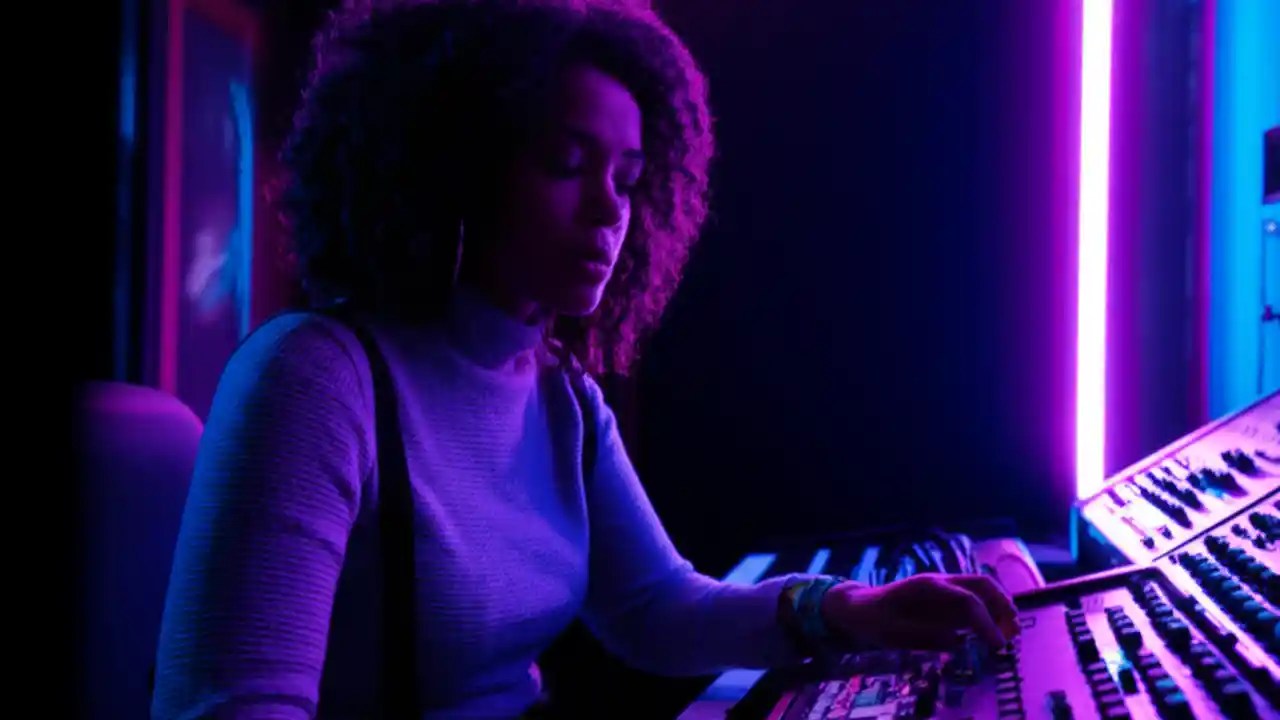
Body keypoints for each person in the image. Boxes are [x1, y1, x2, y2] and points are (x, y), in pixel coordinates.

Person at [150, 1, 1020, 717]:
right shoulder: (314, 380)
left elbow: (659, 609)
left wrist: (850, 610)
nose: (610, 211)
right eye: (568, 163)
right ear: (453, 168)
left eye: (629, 178)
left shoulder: (561, 398)